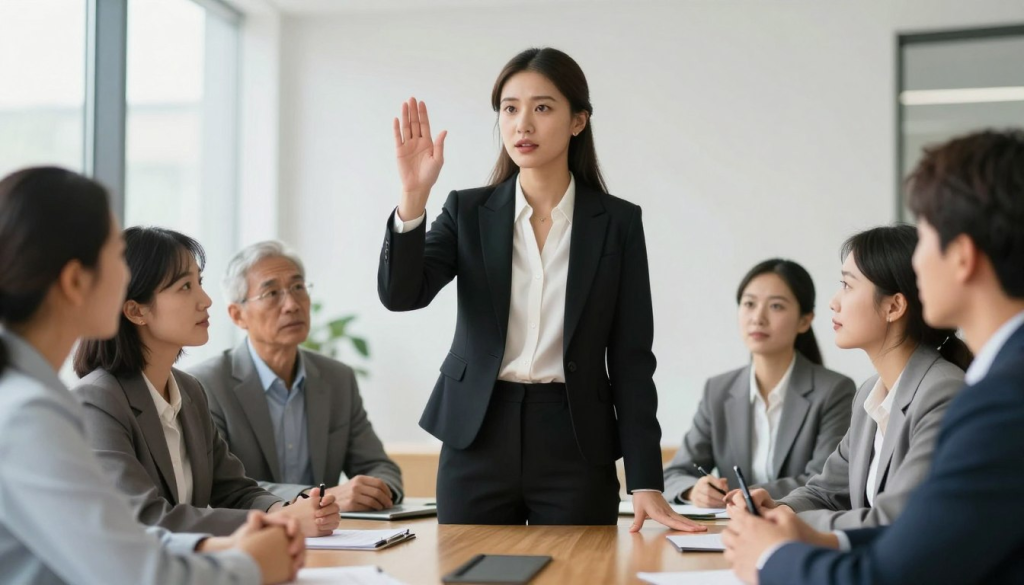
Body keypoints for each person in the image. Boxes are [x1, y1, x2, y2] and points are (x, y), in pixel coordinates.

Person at [377, 47, 699, 530]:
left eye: (542, 107)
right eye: (510, 108)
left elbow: (632, 359)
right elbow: (402, 295)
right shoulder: (468, 211)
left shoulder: (618, 224)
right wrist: (412, 198)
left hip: (575, 440)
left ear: (578, 121)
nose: (522, 123)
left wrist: (646, 480)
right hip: (477, 434)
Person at [722, 129, 1024, 585]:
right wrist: (782, 512)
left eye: (924, 239)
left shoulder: (989, 396)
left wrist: (775, 551)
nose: (918, 264)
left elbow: (900, 549)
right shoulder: (879, 393)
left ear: (961, 257)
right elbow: (831, 490)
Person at [0, 166, 303, 584]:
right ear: (74, 280)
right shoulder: (28, 414)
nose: (125, 275)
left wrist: (213, 545)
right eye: (113, 256)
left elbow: (117, 539)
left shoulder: (28, 398)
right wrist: (251, 565)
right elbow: (134, 572)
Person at [73, 227, 340, 537]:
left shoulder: (189, 390)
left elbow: (232, 488)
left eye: (198, 282)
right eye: (185, 286)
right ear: (136, 310)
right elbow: (144, 518)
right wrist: (277, 523)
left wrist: (284, 509)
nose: (206, 300)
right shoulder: (97, 401)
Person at [734, 226, 970, 530]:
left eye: (847, 285)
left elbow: (897, 519)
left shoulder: (941, 392)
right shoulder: (870, 393)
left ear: (894, 306)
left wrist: (791, 522)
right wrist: (780, 506)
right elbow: (826, 491)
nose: (834, 302)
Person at [189, 240, 403, 510]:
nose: (291, 304)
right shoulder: (205, 385)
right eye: (271, 293)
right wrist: (322, 497)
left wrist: (378, 490)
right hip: (253, 536)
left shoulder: (338, 379)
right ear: (237, 315)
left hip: (332, 537)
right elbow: (223, 487)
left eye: (298, 287)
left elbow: (378, 465)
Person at [663, 259, 855, 507]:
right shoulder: (718, 390)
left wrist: (739, 493)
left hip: (797, 527)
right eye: (749, 304)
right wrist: (693, 491)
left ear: (804, 321)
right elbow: (674, 475)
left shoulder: (834, 390)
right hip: (730, 531)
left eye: (776, 306)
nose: (758, 318)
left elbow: (825, 481)